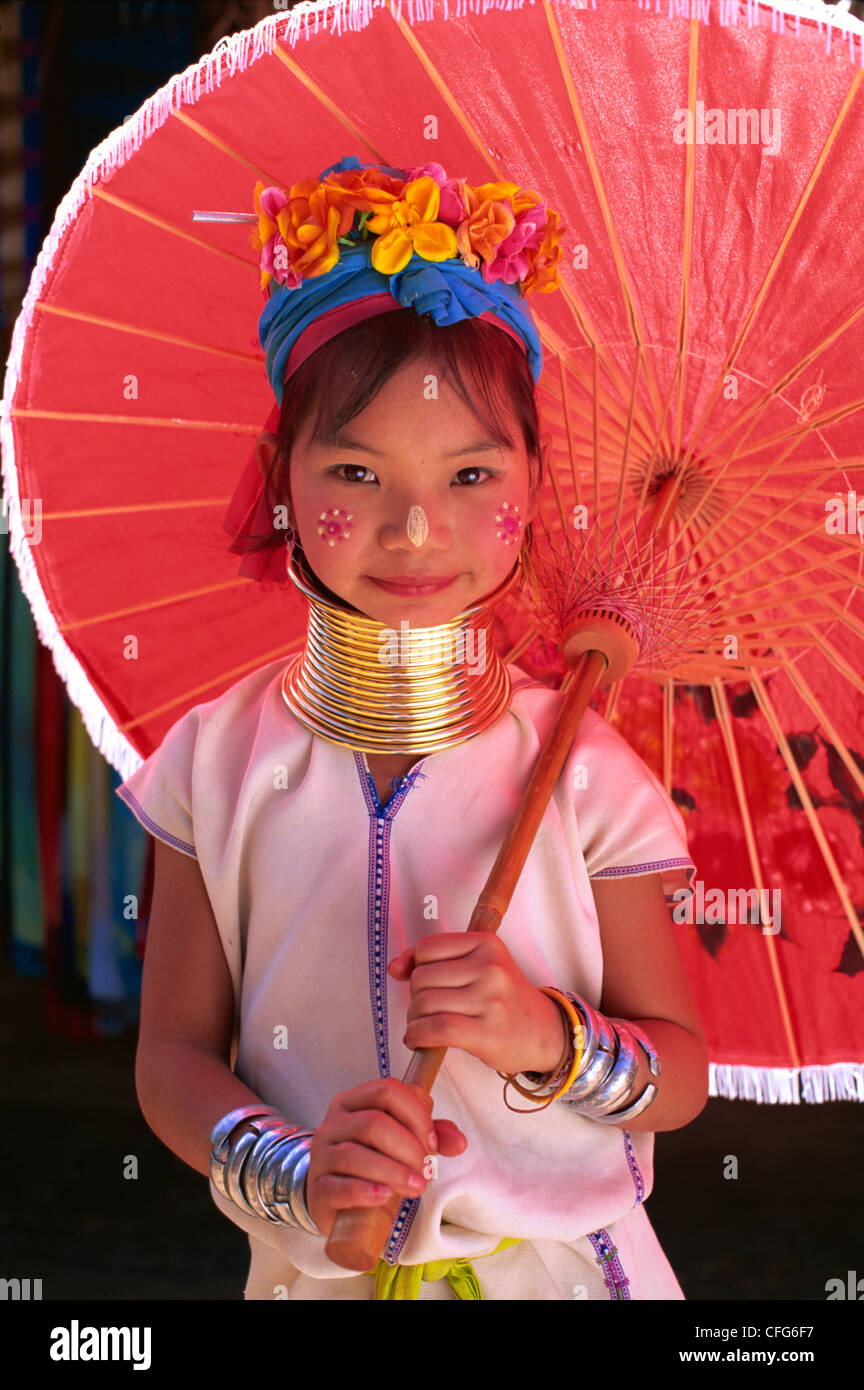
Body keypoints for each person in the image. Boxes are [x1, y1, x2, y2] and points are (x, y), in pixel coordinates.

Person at [116, 157, 707, 1300]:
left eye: (473, 471)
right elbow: (171, 1058)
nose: (418, 527)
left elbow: (678, 1074)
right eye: (355, 471)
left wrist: (546, 1034)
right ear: (278, 481)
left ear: (534, 477)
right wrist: (294, 1165)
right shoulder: (217, 765)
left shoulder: (581, 772)